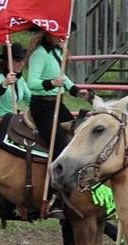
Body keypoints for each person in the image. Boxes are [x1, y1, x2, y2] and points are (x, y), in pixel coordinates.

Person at [26, 26, 86, 162]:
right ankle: (54, 178)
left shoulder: (56, 52)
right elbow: (31, 82)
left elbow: (61, 75)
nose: (62, 36)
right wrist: (51, 83)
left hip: (56, 103)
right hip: (41, 107)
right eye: (58, 33)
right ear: (48, 33)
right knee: (59, 145)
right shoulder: (39, 54)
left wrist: (75, 90)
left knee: (75, 133)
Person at [0, 43, 31, 117]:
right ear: (8, 62)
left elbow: (29, 98)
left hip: (12, 117)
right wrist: (4, 84)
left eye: (23, 60)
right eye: (17, 61)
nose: (21, 64)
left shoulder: (20, 80)